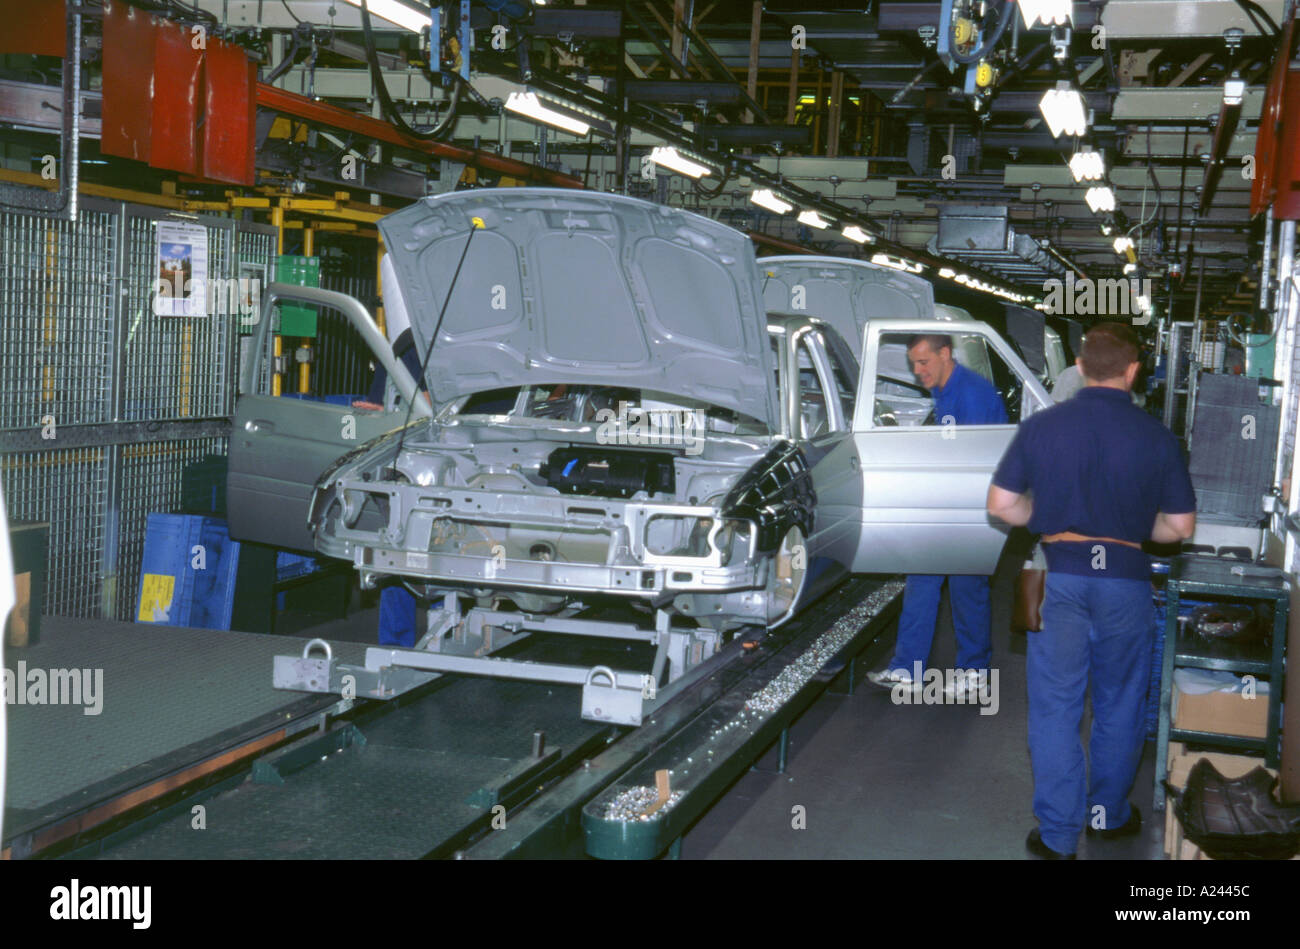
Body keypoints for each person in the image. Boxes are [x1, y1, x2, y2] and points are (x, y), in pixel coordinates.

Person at [986, 322, 1196, 859]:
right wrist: (1125, 529)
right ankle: (1106, 815)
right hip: (1124, 582)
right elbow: (1179, 528)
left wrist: (1049, 518)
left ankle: (1058, 836)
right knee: (1120, 703)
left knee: (1055, 707)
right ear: (1132, 372)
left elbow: (1001, 506)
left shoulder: (1043, 426)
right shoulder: (1156, 435)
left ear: (1079, 368)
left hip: (1059, 577)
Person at [867, 333, 1008, 696]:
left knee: (967, 587)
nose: (918, 371)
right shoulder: (944, 390)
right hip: (950, 503)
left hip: (973, 507)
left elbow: (976, 459)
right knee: (923, 580)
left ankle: (974, 674)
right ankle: (908, 669)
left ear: (946, 354)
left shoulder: (972, 393)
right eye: (914, 364)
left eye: (924, 362)